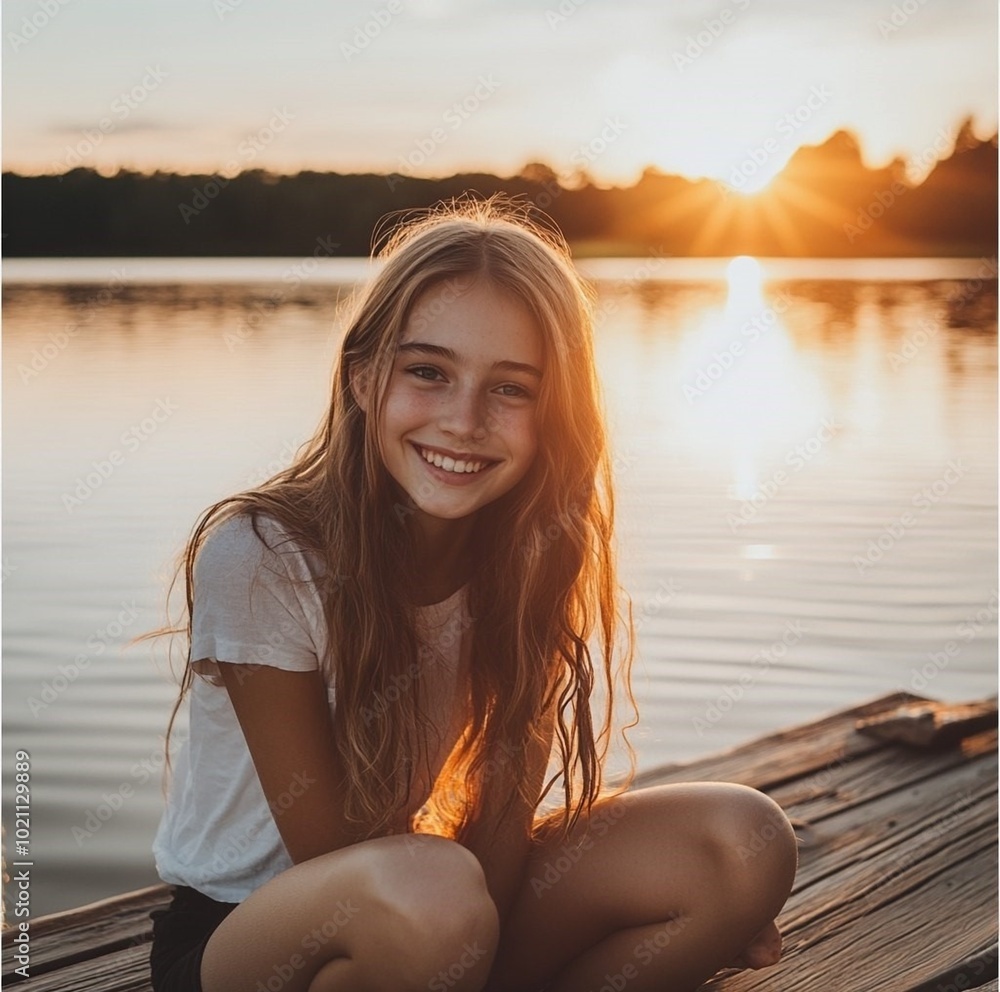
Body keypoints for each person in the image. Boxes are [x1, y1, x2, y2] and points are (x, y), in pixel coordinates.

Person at [148, 197, 797, 992]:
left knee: (741, 844)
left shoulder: (526, 553)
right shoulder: (261, 556)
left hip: (443, 906)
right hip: (254, 938)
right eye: (428, 372)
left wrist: (661, 906)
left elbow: (497, 842)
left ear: (554, 412)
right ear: (362, 378)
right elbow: (341, 862)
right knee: (427, 892)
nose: (463, 421)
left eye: (512, 389)